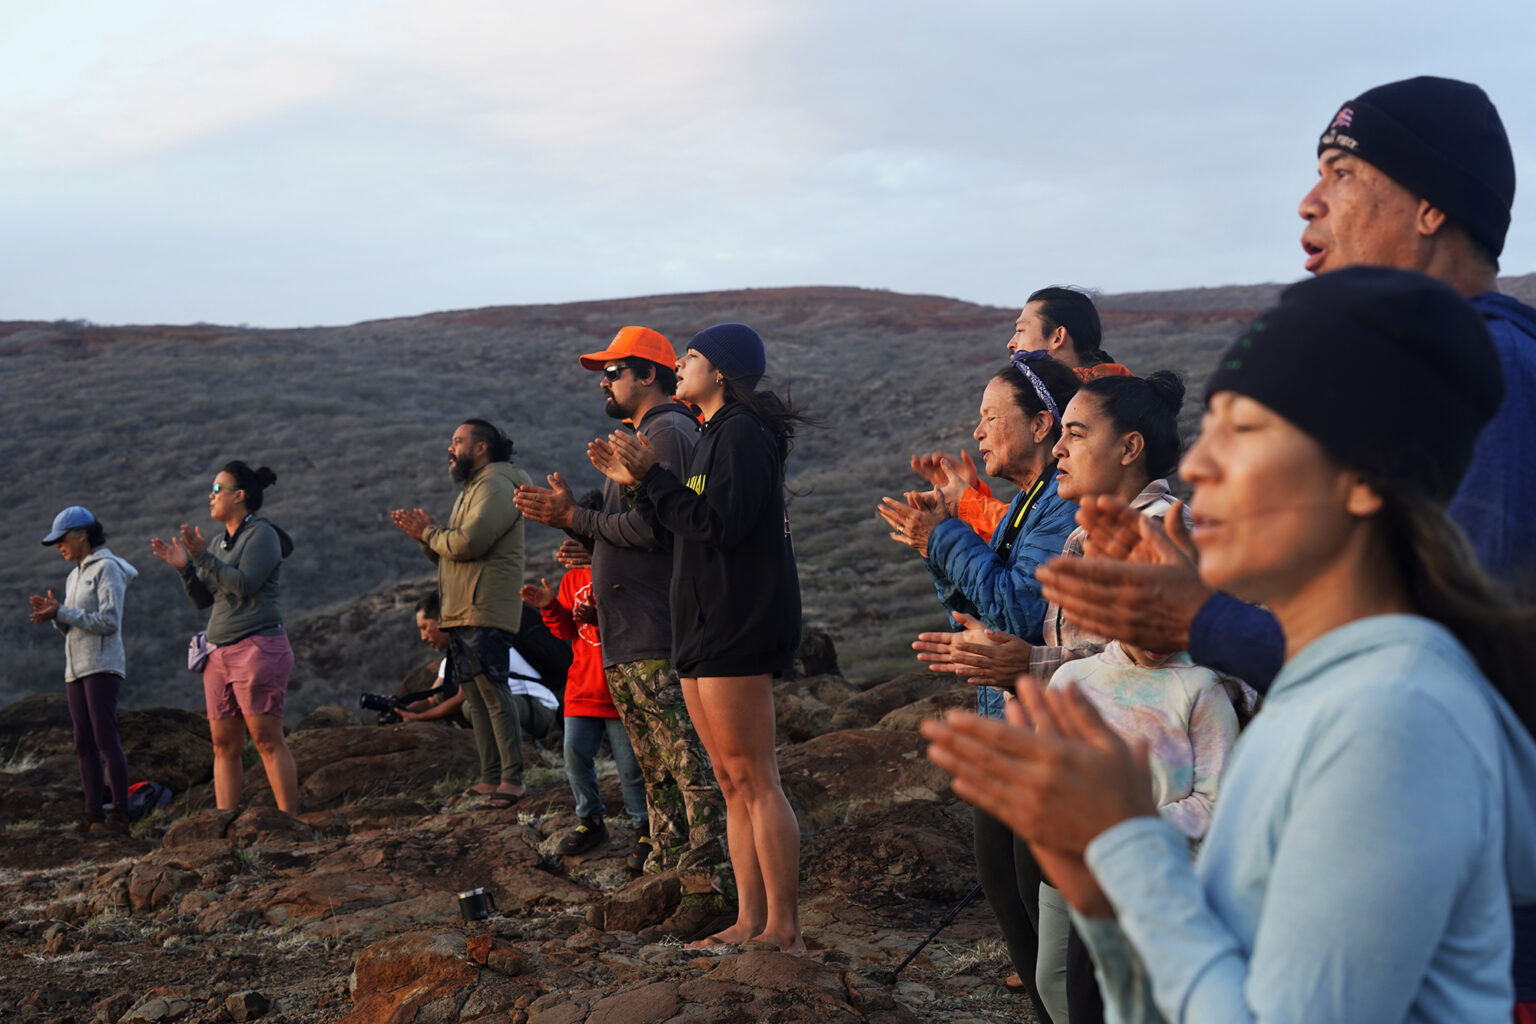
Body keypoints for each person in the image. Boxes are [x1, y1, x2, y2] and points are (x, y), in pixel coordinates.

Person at [924, 267, 1536, 1022]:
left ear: (1361, 481)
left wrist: (1126, 847)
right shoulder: (1330, 685)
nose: (1202, 465)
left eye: (1243, 433)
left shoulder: (1393, 722)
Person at [588, 322, 806, 952]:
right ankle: (747, 920)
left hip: (737, 620)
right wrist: (639, 482)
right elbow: (682, 525)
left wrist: (652, 477)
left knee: (755, 776)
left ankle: (784, 928)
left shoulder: (741, 431)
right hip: (702, 620)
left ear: (722, 371)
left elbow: (722, 524)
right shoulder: (712, 433)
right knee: (730, 777)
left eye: (690, 358)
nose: (679, 366)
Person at [879, 350, 1079, 1011]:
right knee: (1007, 893)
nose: (979, 430)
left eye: (993, 416)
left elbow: (1024, 613)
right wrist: (939, 541)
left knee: (1041, 914)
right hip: (1007, 720)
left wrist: (944, 537)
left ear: (1043, 424)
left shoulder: (1057, 508)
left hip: (1045, 728)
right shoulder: (1026, 504)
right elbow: (975, 612)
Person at [515, 325, 722, 878]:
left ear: (649, 374)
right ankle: (670, 868)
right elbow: (629, 528)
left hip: (657, 633)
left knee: (687, 769)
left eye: (612, 372)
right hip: (629, 636)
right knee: (656, 770)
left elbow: (659, 528)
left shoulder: (669, 432)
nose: (602, 384)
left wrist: (573, 519)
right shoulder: (643, 434)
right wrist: (585, 543)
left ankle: (709, 883)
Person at [391, 419, 533, 808]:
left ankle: (513, 780)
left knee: (492, 691)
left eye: (457, 441)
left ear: (481, 447)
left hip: (483, 606)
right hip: (463, 608)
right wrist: (426, 536)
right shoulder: (474, 487)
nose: (450, 448)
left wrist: (429, 532)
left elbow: (470, 542)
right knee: (473, 693)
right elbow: (451, 550)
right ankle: (490, 777)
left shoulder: (495, 485)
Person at [151, 462, 301, 816]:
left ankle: (290, 823)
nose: (211, 495)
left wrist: (202, 556)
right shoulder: (219, 541)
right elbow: (205, 599)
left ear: (240, 496)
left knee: (266, 739)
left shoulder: (262, 535)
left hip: (257, 647)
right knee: (223, 744)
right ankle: (226, 823)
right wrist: (186, 568)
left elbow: (245, 585)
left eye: (217, 489)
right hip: (218, 653)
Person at [936, 288, 1133, 544]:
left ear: (1057, 337)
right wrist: (972, 493)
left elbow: (1051, 527)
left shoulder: (1105, 411)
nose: (1011, 343)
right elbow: (1035, 523)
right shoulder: (1089, 399)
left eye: (1020, 330)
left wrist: (969, 504)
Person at [521, 509, 650, 862]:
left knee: (630, 767)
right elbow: (566, 632)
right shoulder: (571, 579)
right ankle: (590, 819)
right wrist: (551, 608)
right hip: (581, 688)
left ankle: (644, 828)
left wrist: (595, 615)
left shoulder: (623, 574)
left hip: (617, 689)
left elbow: (630, 623)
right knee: (575, 755)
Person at [29, 506, 138, 834]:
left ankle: (120, 814)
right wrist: (56, 616)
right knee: (82, 742)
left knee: (105, 737)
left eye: (62, 539)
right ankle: (93, 815)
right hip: (75, 668)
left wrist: (63, 611)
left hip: (102, 665)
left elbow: (108, 621)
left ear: (82, 535)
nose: (59, 546)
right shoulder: (74, 574)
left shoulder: (107, 568)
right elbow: (75, 625)